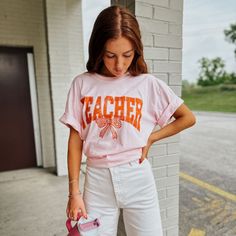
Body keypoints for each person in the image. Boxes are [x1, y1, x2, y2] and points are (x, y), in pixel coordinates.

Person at [59, 5, 196, 236]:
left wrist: (152, 137)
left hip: (138, 178)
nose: (119, 65)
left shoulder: (147, 84)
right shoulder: (82, 84)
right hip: (97, 181)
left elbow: (187, 117)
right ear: (99, 50)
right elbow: (75, 138)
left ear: (137, 51)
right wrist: (74, 193)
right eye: (111, 55)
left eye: (127, 55)